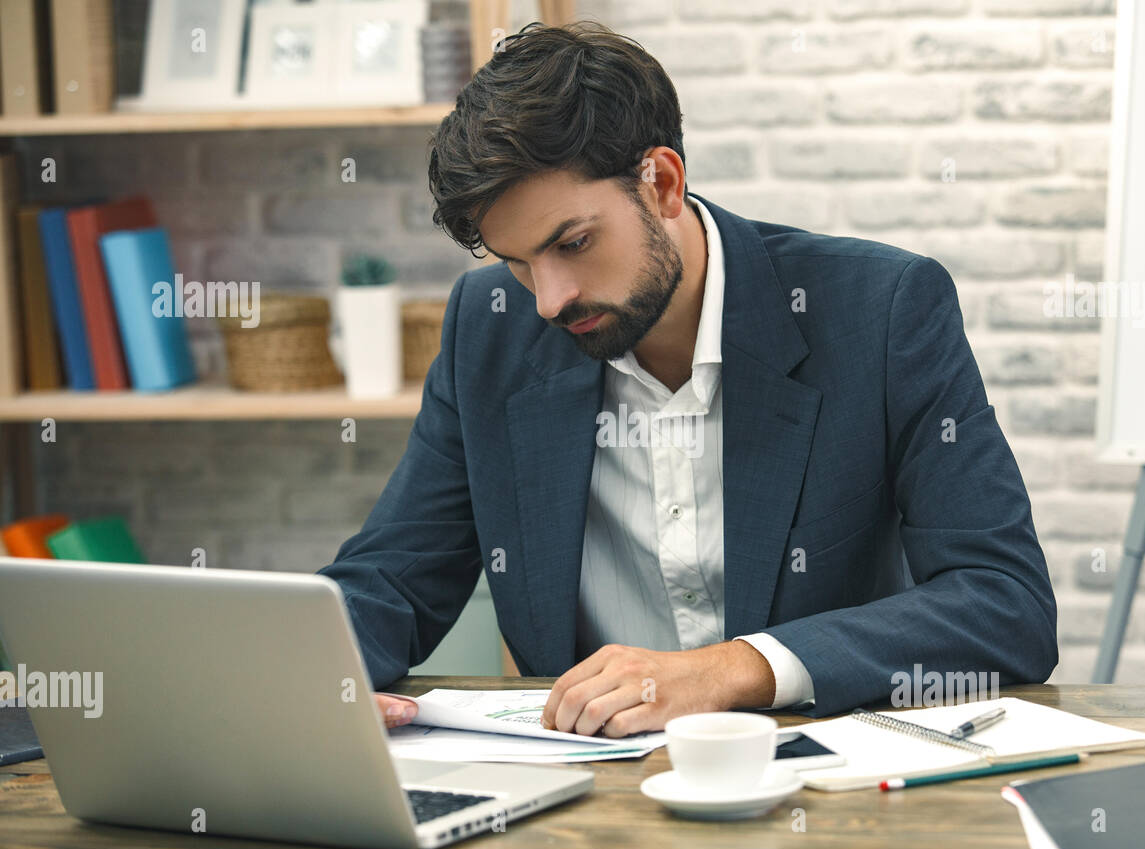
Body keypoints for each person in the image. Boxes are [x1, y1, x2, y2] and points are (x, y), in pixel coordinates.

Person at [316, 20, 1058, 739]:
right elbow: (396, 576)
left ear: (662, 182)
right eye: (516, 261)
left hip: (832, 787)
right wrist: (310, 680)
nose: (548, 298)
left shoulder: (880, 311)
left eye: (572, 243)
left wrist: (733, 670)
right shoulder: (492, 325)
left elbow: (1004, 604)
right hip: (590, 801)